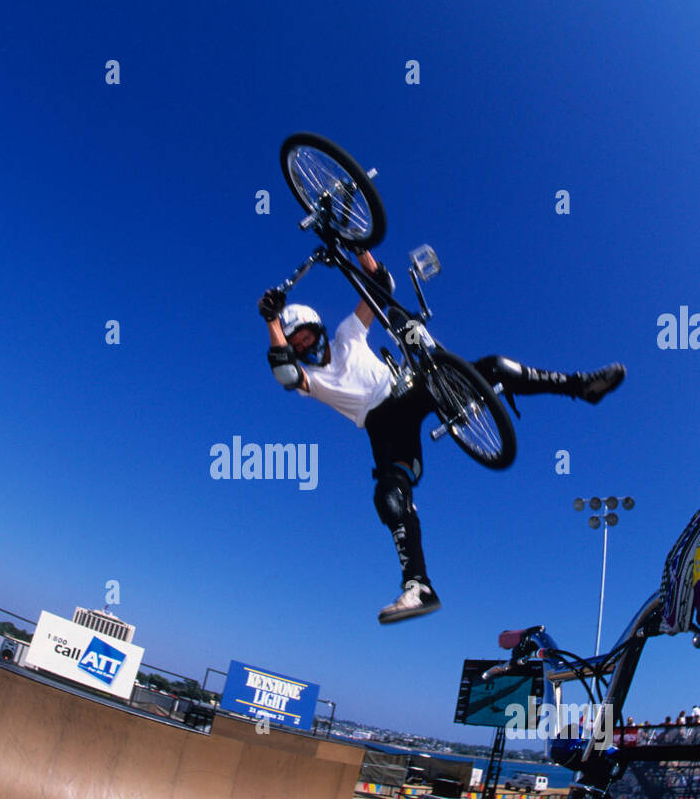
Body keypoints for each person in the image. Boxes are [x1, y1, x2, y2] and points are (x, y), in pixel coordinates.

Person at [258, 255, 624, 622]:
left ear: (317, 328)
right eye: (298, 345)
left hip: (408, 390)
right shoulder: (308, 380)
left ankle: (581, 386)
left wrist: (355, 245)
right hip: (383, 427)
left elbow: (380, 286)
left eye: (306, 337)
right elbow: (286, 374)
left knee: (495, 367)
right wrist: (273, 319)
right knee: (390, 494)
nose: (306, 347)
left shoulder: (346, 336)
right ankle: (419, 587)